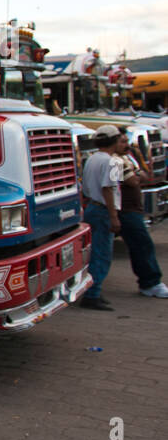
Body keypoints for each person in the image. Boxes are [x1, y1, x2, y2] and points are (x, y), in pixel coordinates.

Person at [112, 129, 168, 298]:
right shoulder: (114, 161)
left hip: (132, 209)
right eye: (122, 141)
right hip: (126, 210)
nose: (126, 145)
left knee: (142, 245)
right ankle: (150, 283)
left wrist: (137, 176)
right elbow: (133, 180)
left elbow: (143, 174)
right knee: (142, 245)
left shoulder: (126, 158)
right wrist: (137, 176)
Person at [79, 124, 123, 310]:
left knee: (93, 252)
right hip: (103, 210)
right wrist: (114, 216)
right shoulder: (114, 162)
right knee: (102, 254)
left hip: (91, 208)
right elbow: (108, 188)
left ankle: (93, 290)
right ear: (114, 142)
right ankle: (92, 294)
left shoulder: (92, 159)